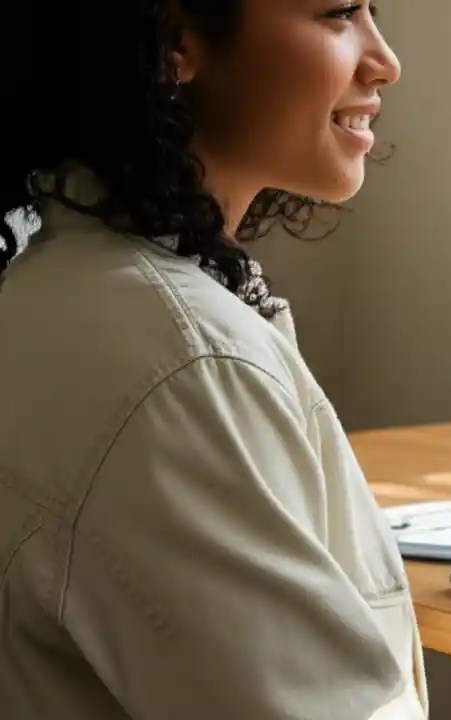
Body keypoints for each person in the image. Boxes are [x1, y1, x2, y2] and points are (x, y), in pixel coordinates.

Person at [0, 2, 429, 718]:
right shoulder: (177, 359)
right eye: (336, 14)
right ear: (175, 41)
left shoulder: (77, 288)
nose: (385, 61)